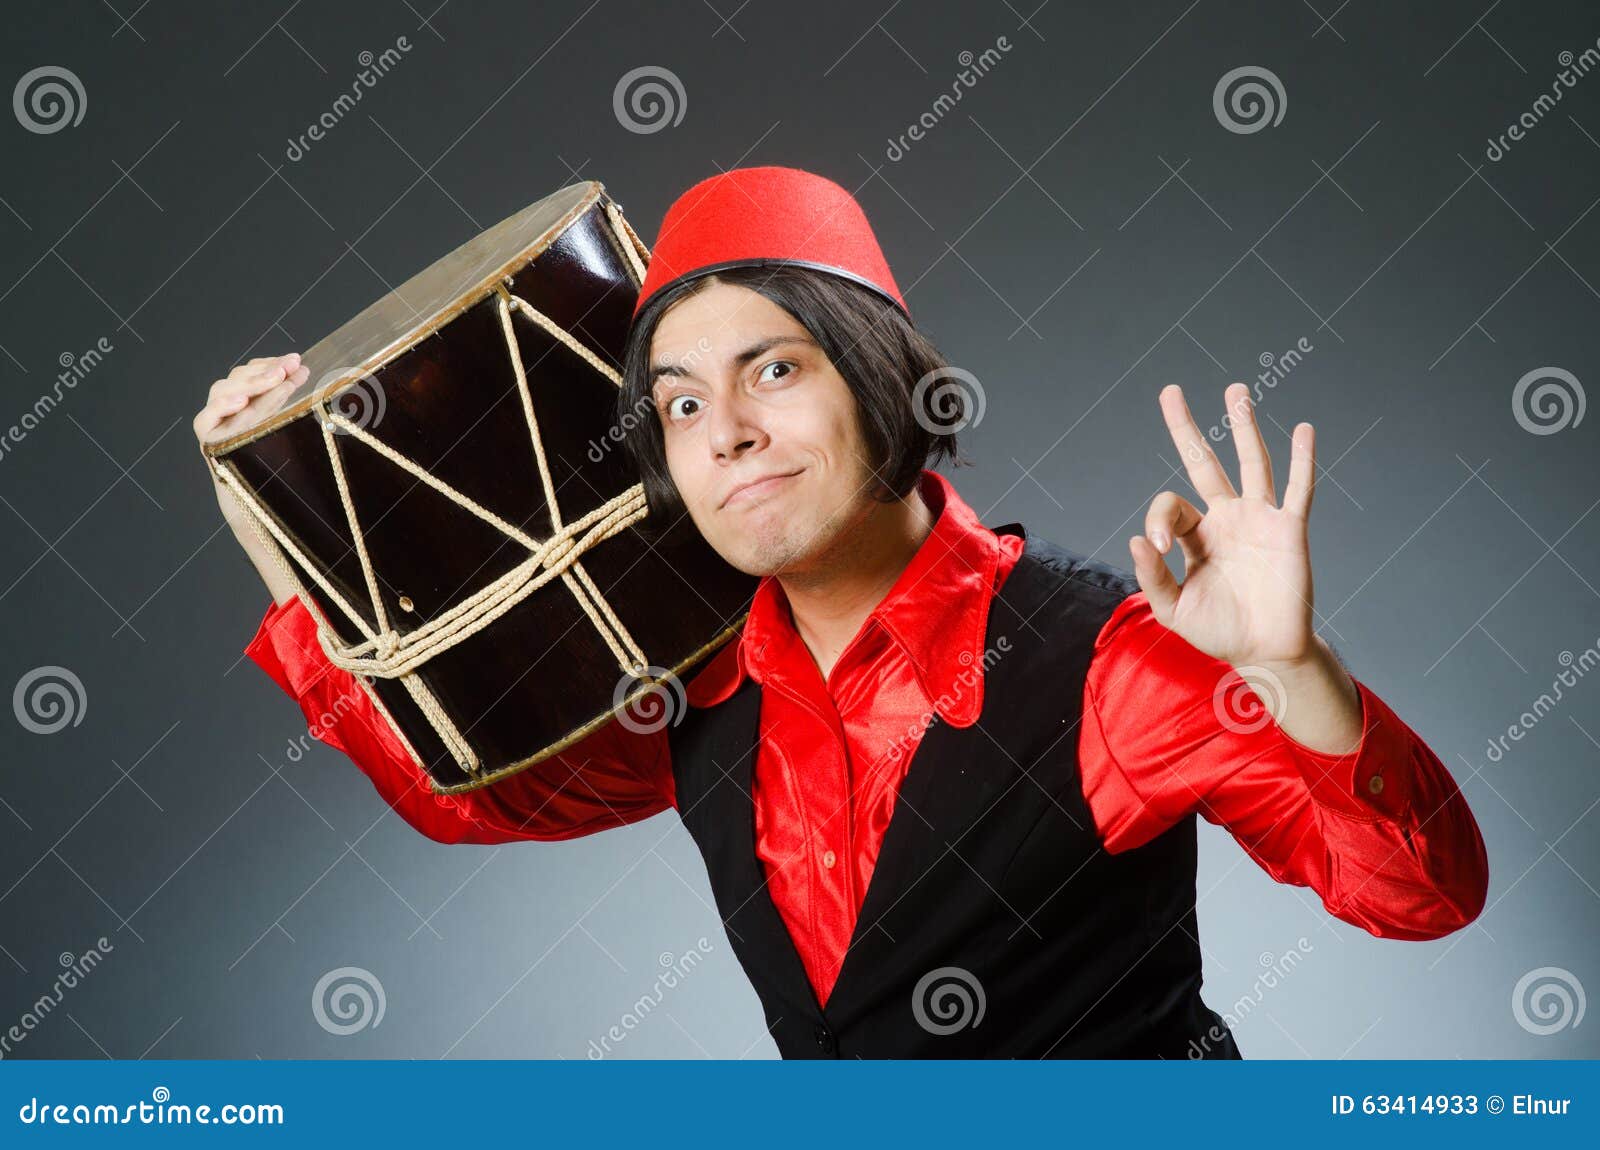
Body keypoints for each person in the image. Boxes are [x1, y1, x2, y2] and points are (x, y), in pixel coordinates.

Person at [194, 166, 1489, 1058]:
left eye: (775, 368)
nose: (731, 431)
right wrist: (274, 504)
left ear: (881, 384)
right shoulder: (698, 691)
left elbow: (1423, 896)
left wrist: (1295, 666)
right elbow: (472, 794)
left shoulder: (1107, 666)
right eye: (684, 403)